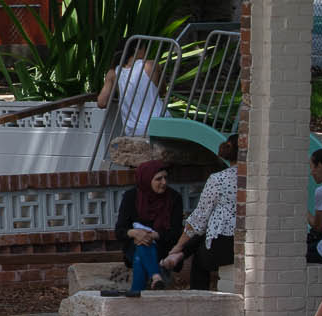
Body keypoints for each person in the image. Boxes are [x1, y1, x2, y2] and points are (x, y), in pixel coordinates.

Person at [162, 137, 239, 289]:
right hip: (244, 241)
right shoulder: (262, 178)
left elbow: (199, 219)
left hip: (224, 246)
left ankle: (198, 294)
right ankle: (181, 254)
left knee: (199, 259)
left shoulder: (219, 179)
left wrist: (178, 246)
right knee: (206, 232)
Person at [104, 160, 186, 297]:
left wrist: (153, 235)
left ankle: (137, 291)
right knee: (142, 246)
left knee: (141, 252)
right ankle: (156, 277)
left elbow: (175, 233)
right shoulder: (131, 197)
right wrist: (134, 233)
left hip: (163, 247)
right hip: (134, 244)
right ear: (146, 179)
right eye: (159, 179)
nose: (164, 182)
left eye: (166, 178)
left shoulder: (174, 198)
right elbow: (120, 231)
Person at [94, 43, 167, 138]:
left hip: (135, 130)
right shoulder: (151, 65)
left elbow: (101, 102)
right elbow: (162, 92)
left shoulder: (113, 73)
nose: (145, 53)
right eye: (144, 50)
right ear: (137, 49)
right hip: (161, 124)